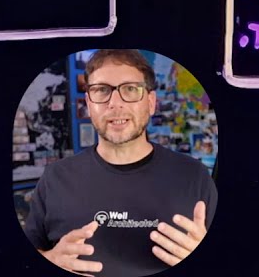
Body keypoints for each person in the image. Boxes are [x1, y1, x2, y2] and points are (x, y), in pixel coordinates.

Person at [23, 49, 218, 276]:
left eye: (131, 89)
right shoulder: (55, 177)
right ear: (89, 104)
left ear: (151, 102)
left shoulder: (194, 176)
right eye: (101, 90)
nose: (115, 104)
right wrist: (49, 259)